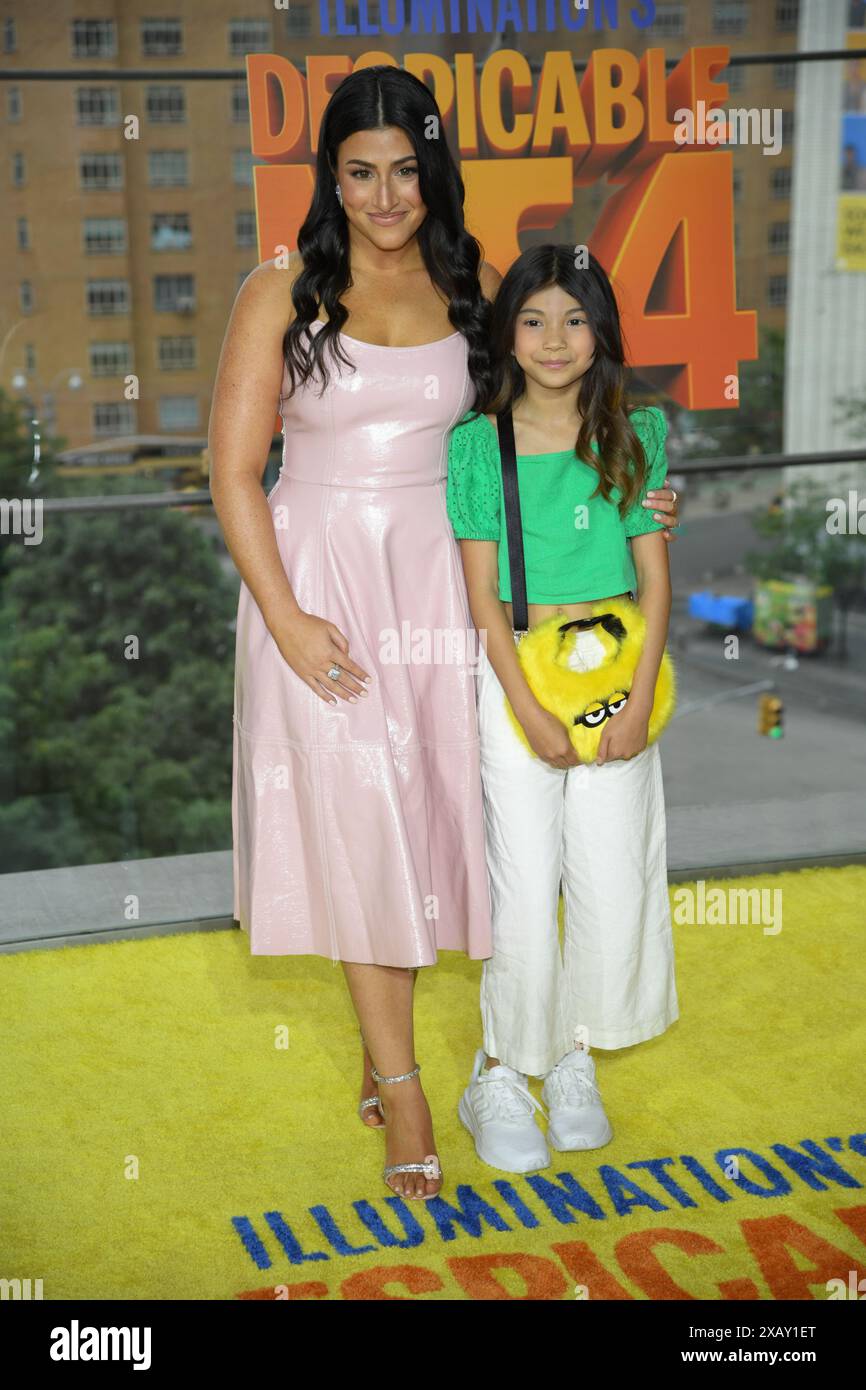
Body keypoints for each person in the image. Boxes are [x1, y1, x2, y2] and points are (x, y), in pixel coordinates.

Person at [209, 68, 681, 1202]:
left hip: (459, 578)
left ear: (432, 171)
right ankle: (404, 1086)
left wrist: (634, 497)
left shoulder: (470, 277)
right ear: (330, 174)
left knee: (456, 829)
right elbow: (229, 472)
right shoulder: (277, 291)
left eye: (403, 171)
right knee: (364, 832)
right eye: (359, 172)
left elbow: (551, 414)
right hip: (324, 585)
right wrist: (283, 616)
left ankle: (501, 1055)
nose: (383, 196)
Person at [446, 245, 679, 1173]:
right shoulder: (477, 444)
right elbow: (479, 600)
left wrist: (639, 705)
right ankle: (500, 1069)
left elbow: (657, 585)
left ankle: (573, 1056)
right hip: (520, 686)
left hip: (618, 678)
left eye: (575, 320)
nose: (554, 339)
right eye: (534, 320)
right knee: (524, 880)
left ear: (601, 333)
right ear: (507, 333)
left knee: (613, 876)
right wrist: (527, 712)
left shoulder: (637, 431)